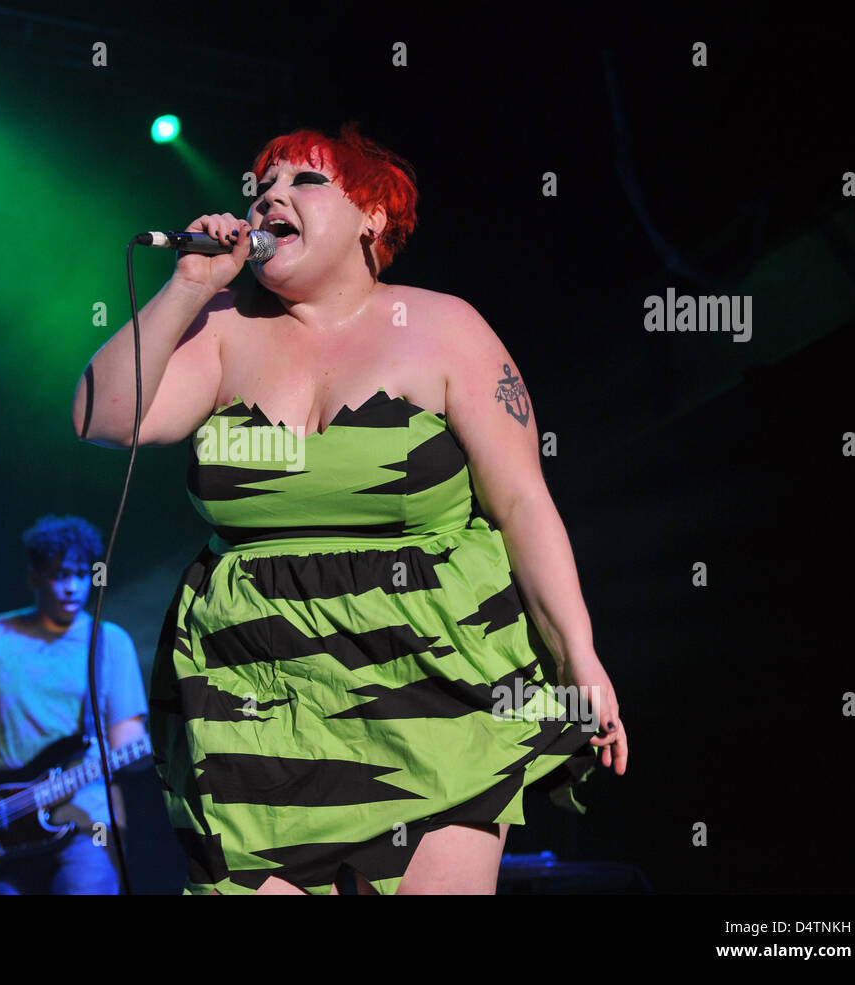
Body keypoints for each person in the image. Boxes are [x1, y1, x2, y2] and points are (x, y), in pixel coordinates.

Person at [72, 122, 627, 895]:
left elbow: (522, 502)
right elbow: (104, 417)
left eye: (305, 180)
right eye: (263, 183)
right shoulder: (224, 329)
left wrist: (579, 654)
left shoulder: (445, 327)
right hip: (253, 694)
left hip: (438, 684)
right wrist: (190, 288)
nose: (270, 195)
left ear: (371, 216)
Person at [0, 514, 148, 894]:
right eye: (59, 575)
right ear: (34, 577)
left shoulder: (111, 643)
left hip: (87, 820)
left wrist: (159, 744)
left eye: (81, 574)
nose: (72, 587)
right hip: (2, 820)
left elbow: (130, 742)